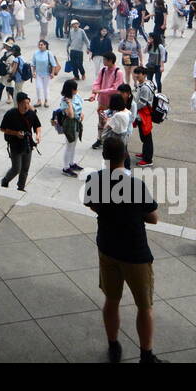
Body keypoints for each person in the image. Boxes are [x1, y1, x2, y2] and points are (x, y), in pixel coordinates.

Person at [83, 137, 165, 363]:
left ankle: (113, 345)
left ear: (104, 157)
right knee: (145, 306)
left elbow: (91, 205)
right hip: (134, 252)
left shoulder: (94, 179)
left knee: (111, 299)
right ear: (125, 155)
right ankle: (146, 355)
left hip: (107, 247)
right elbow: (153, 218)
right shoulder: (135, 186)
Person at [0, 92, 40, 191]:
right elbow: (2, 128)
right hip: (15, 144)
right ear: (18, 104)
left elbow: (37, 125)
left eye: (27, 103)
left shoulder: (31, 113)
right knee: (16, 168)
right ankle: (5, 180)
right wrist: (16, 133)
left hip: (27, 143)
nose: (26, 106)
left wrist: (38, 135)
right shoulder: (11, 114)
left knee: (25, 168)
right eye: (23, 104)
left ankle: (21, 187)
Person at [89, 52, 125, 149]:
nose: (103, 61)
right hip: (102, 101)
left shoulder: (118, 72)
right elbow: (97, 83)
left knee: (111, 123)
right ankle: (99, 139)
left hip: (113, 103)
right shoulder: (103, 70)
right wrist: (94, 94)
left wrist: (99, 91)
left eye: (105, 60)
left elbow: (115, 88)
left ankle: (109, 141)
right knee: (101, 121)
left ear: (110, 61)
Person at [55, 79, 84, 178]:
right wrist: (70, 104)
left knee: (74, 144)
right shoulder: (64, 101)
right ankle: (66, 167)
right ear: (71, 90)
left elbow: (81, 105)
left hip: (77, 123)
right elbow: (71, 115)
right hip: (70, 125)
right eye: (75, 89)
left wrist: (81, 114)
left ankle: (72, 163)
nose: (77, 90)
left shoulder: (77, 96)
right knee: (69, 145)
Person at [130, 66, 156, 167]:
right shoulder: (147, 83)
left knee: (146, 136)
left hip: (144, 114)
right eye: (135, 73)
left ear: (144, 75)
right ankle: (145, 154)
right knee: (144, 136)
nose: (136, 75)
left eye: (139, 74)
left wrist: (134, 109)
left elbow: (143, 102)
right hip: (144, 114)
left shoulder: (145, 87)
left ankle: (148, 159)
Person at [32, 39, 57, 107]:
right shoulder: (35, 53)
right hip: (38, 74)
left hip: (47, 74)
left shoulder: (49, 53)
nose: (40, 46)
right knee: (38, 87)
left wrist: (52, 73)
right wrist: (33, 72)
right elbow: (33, 64)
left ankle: (46, 101)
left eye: (41, 45)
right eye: (39, 45)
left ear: (45, 45)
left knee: (46, 88)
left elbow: (53, 64)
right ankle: (39, 101)